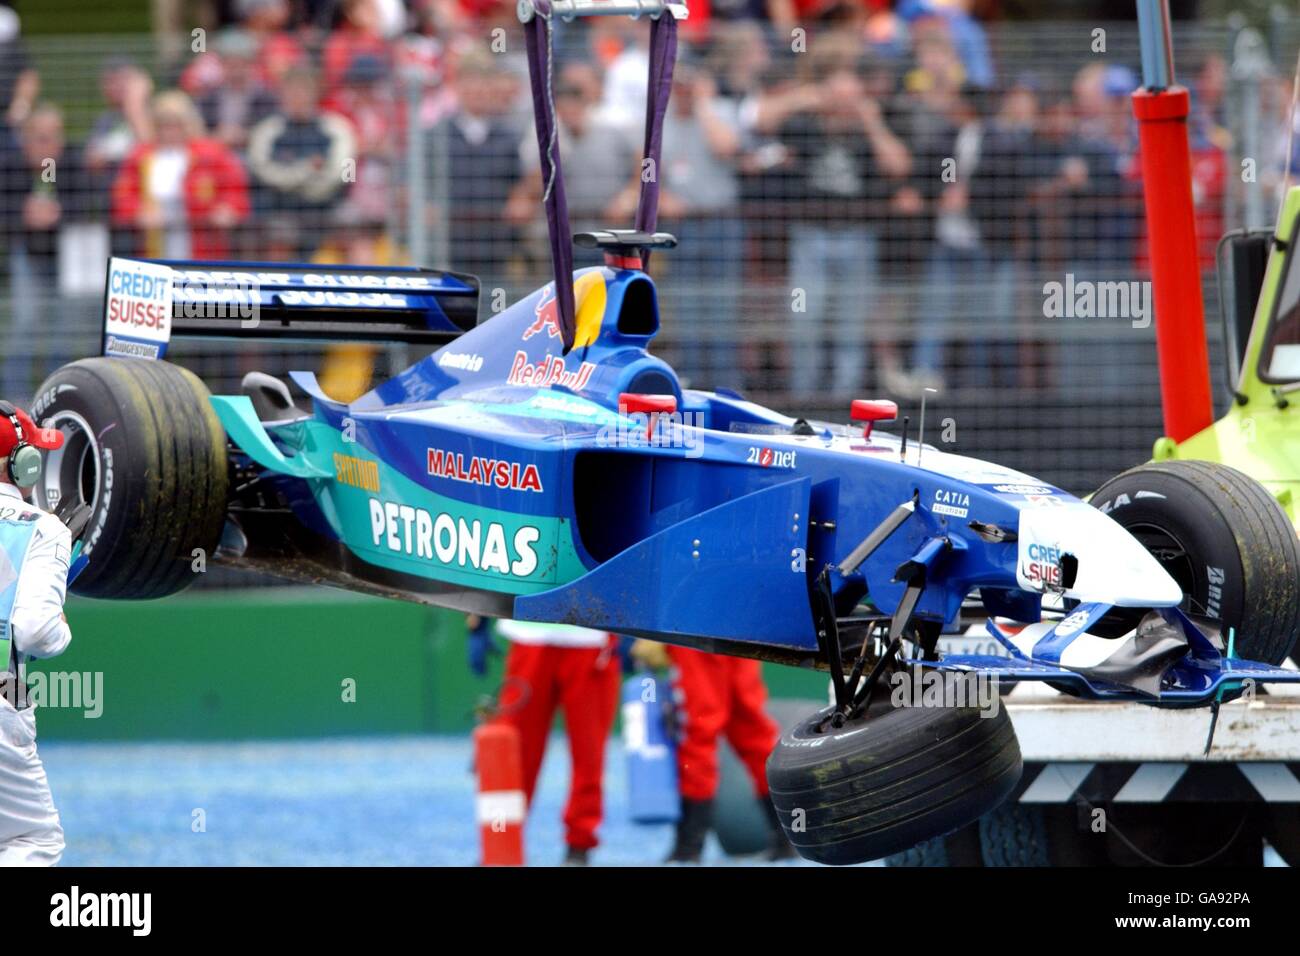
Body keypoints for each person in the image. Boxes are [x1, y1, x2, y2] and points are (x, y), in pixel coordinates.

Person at [469, 615, 621, 866]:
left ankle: (578, 846)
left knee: (589, 752)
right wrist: (477, 616)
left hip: (593, 636)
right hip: (531, 634)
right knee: (513, 754)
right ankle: (500, 841)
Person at [633, 640, 793, 863]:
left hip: (693, 628)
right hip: (740, 628)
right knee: (752, 730)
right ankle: (790, 837)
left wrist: (653, 632)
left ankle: (688, 848)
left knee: (699, 733)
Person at [0, 401, 75, 866]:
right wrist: (63, 622)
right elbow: (35, 631)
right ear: (21, 463)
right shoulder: (43, 529)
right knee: (31, 842)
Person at [0, 104, 95, 398]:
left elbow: (89, 206)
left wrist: (59, 216)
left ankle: (57, 392)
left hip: (66, 258)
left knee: (64, 326)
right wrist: (23, 216)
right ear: (26, 140)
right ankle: (14, 395)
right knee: (26, 318)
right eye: (41, 138)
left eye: (55, 136)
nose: (49, 145)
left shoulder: (72, 163)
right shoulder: (11, 165)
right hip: (27, 254)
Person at [110, 90, 251, 261]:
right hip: (153, 240)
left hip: (202, 240)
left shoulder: (211, 153)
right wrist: (139, 212)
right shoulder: (141, 155)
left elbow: (234, 187)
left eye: (176, 125)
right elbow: (124, 193)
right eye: (164, 125)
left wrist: (228, 208)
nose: (170, 132)